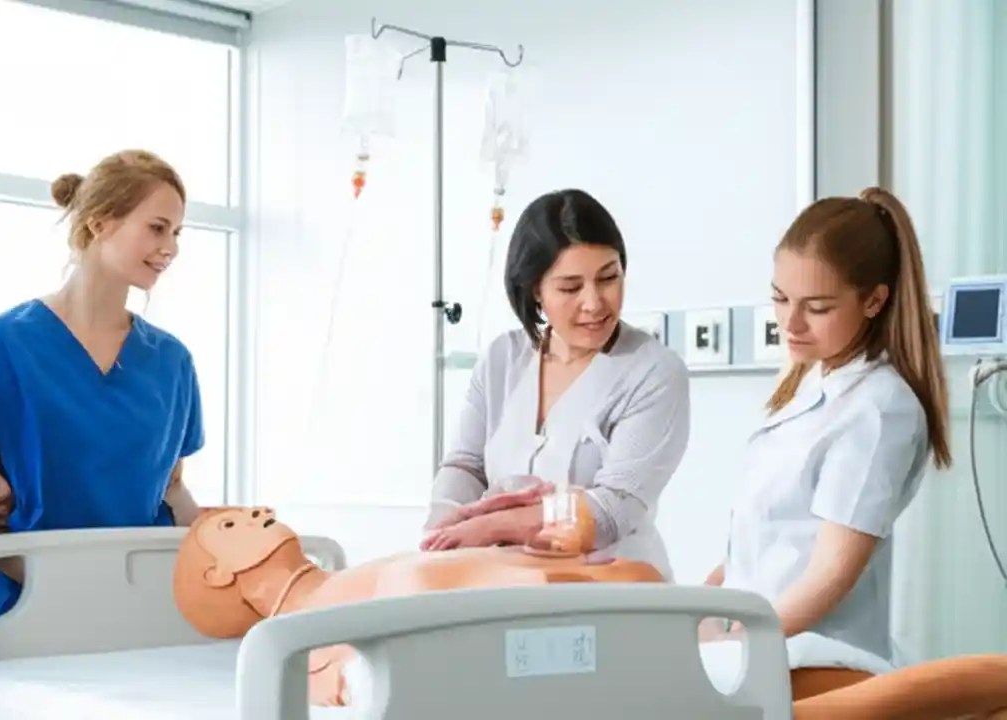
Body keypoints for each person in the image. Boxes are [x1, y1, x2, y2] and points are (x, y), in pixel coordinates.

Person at [174, 506, 1007, 718]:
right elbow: (343, 681)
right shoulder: (297, 641)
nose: (262, 513)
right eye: (236, 523)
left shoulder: (336, 594)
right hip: (544, 644)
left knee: (787, 692)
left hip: (586, 609)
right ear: (220, 576)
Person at [703, 188, 951, 695]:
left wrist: (735, 634)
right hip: (762, 643)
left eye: (816, 307)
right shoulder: (813, 383)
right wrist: (699, 607)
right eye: (780, 298)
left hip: (814, 654)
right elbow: (764, 542)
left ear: (874, 301)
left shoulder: (880, 408)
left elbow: (830, 575)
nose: (790, 324)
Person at [0, 150, 205, 618]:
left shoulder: (172, 362)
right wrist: (59, 587)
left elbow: (172, 491)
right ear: (98, 223)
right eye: (156, 227)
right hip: (27, 603)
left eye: (176, 232)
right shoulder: (0, 346)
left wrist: (231, 543)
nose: (170, 246)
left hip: (144, 604)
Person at [420, 189, 690, 581]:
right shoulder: (503, 359)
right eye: (569, 287)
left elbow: (612, 509)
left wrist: (489, 527)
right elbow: (465, 465)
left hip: (614, 589)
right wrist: (441, 533)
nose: (594, 302)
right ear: (535, 290)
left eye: (609, 278)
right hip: (504, 582)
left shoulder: (653, 373)